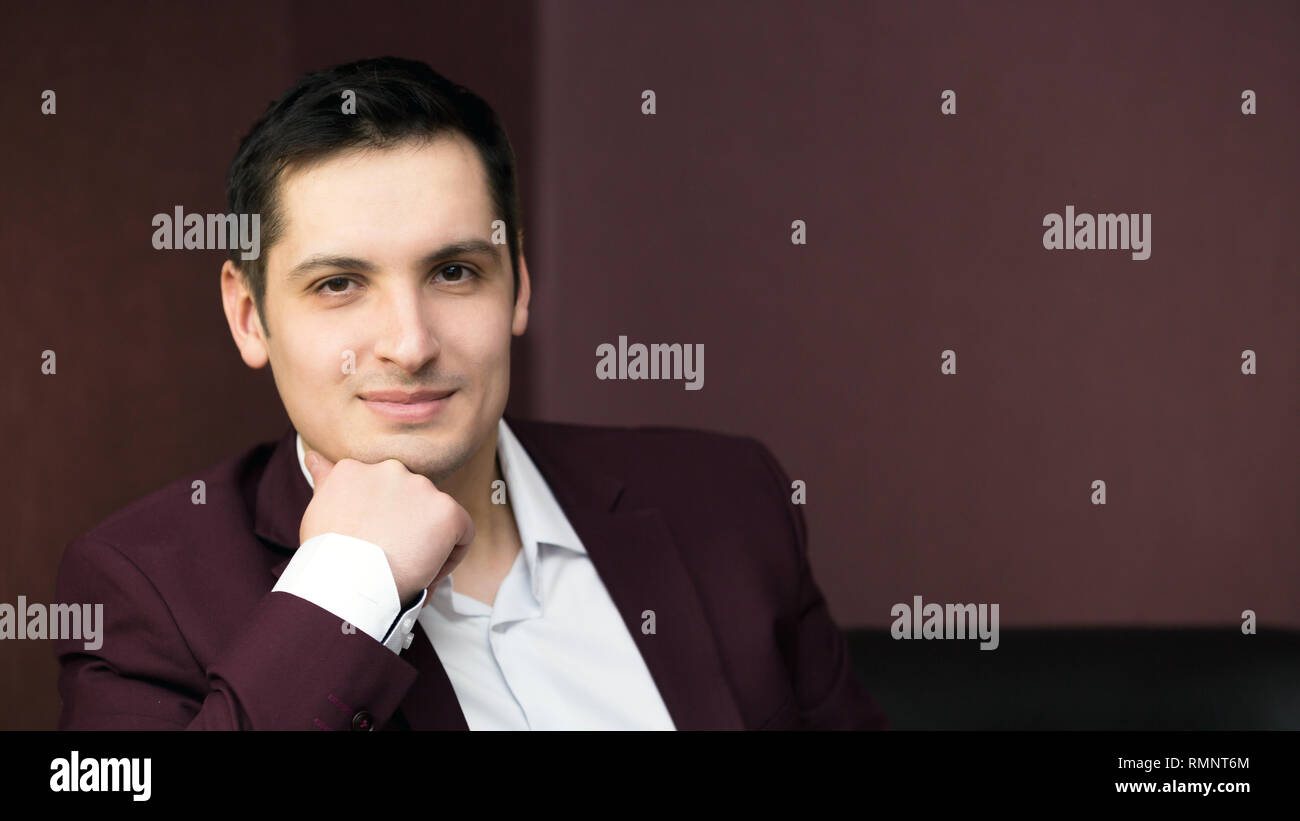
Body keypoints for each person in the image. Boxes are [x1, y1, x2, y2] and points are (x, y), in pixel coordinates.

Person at [52, 56, 887, 731]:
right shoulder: (143, 588)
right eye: (340, 283)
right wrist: (346, 585)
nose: (411, 344)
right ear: (249, 315)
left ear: (518, 284)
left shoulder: (730, 499)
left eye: (454, 272)